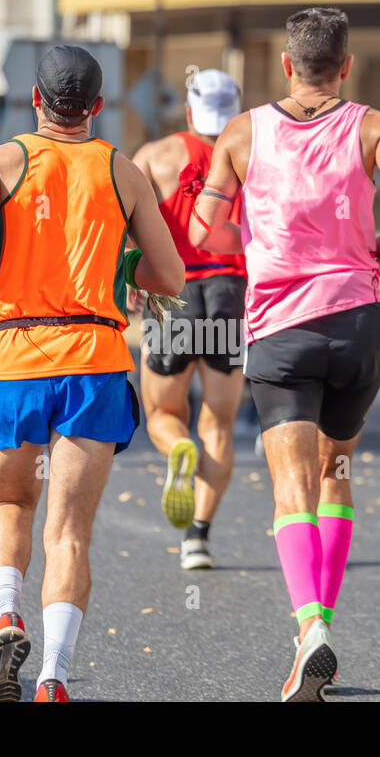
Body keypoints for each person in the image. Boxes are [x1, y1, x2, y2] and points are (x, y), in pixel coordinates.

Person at [190, 7, 380, 701]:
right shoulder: (371, 124)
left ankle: (309, 627)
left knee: (290, 482)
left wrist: (258, 244)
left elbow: (207, 226)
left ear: (287, 64)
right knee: (337, 466)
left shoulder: (241, 133)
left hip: (283, 328)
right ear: (346, 66)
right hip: (359, 324)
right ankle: (323, 621)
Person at [0, 45, 184, 702]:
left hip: (12, 358)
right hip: (94, 362)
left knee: (11, 504)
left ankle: (5, 616)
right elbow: (170, 276)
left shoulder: (0, 162)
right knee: (69, 531)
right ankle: (54, 677)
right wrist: (123, 271)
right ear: (97, 109)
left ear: (34, 101)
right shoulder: (122, 170)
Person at [129, 68, 245, 569]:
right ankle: (197, 536)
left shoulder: (155, 156)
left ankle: (178, 447)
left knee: (161, 413)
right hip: (230, 291)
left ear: (191, 108)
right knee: (218, 422)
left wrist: (134, 275)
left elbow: (125, 219)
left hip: (173, 293)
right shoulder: (251, 155)